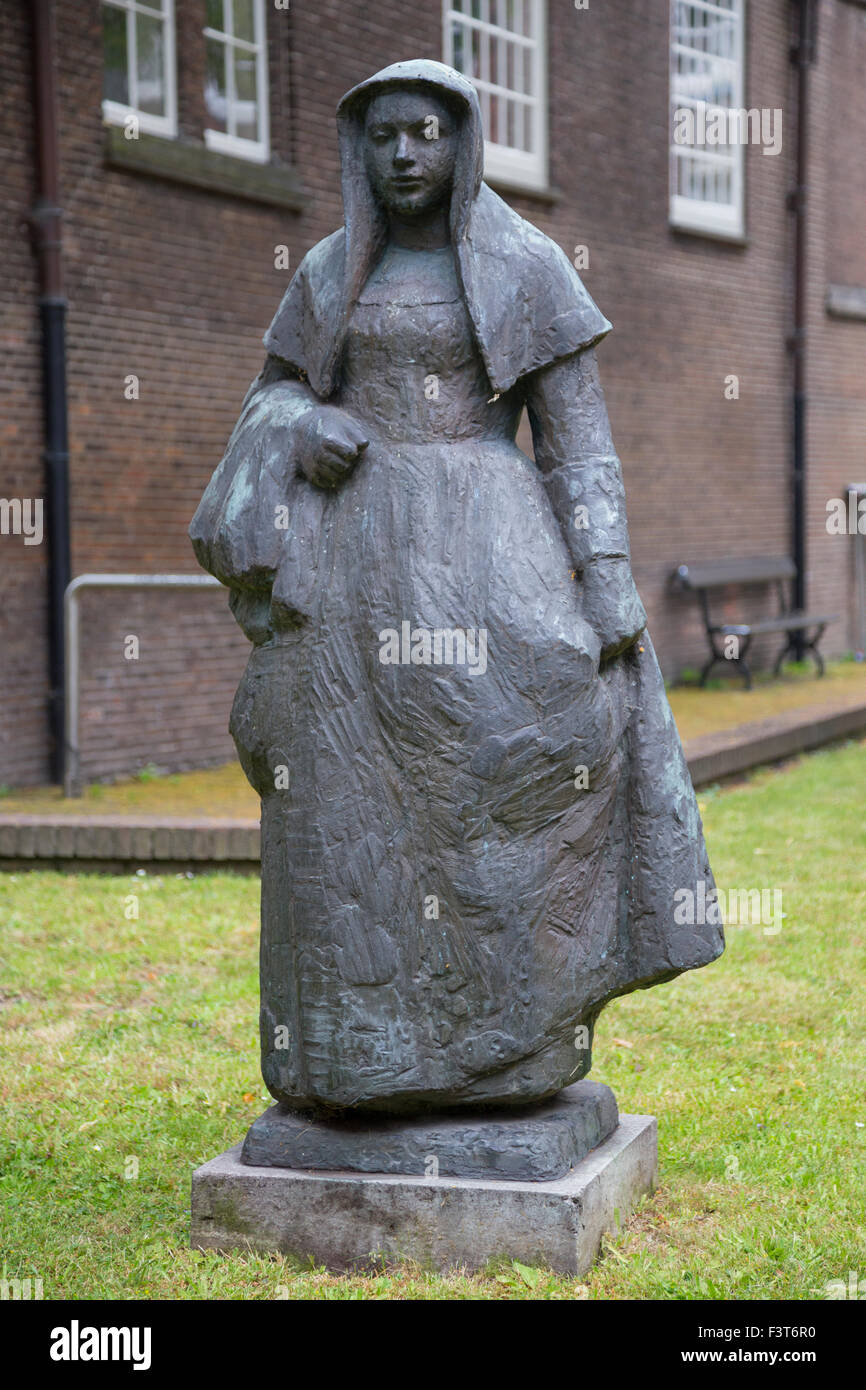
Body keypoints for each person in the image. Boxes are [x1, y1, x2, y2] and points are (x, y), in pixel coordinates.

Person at [190, 60, 723, 1116]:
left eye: (423, 133)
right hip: (349, 576)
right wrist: (299, 425)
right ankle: (350, 1060)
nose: (402, 155)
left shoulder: (524, 267)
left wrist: (606, 575)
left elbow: (578, 441)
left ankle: (511, 1048)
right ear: (359, 148)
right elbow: (273, 395)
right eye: (383, 136)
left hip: (489, 559)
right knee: (344, 812)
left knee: (502, 785)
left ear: (461, 141)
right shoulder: (330, 270)